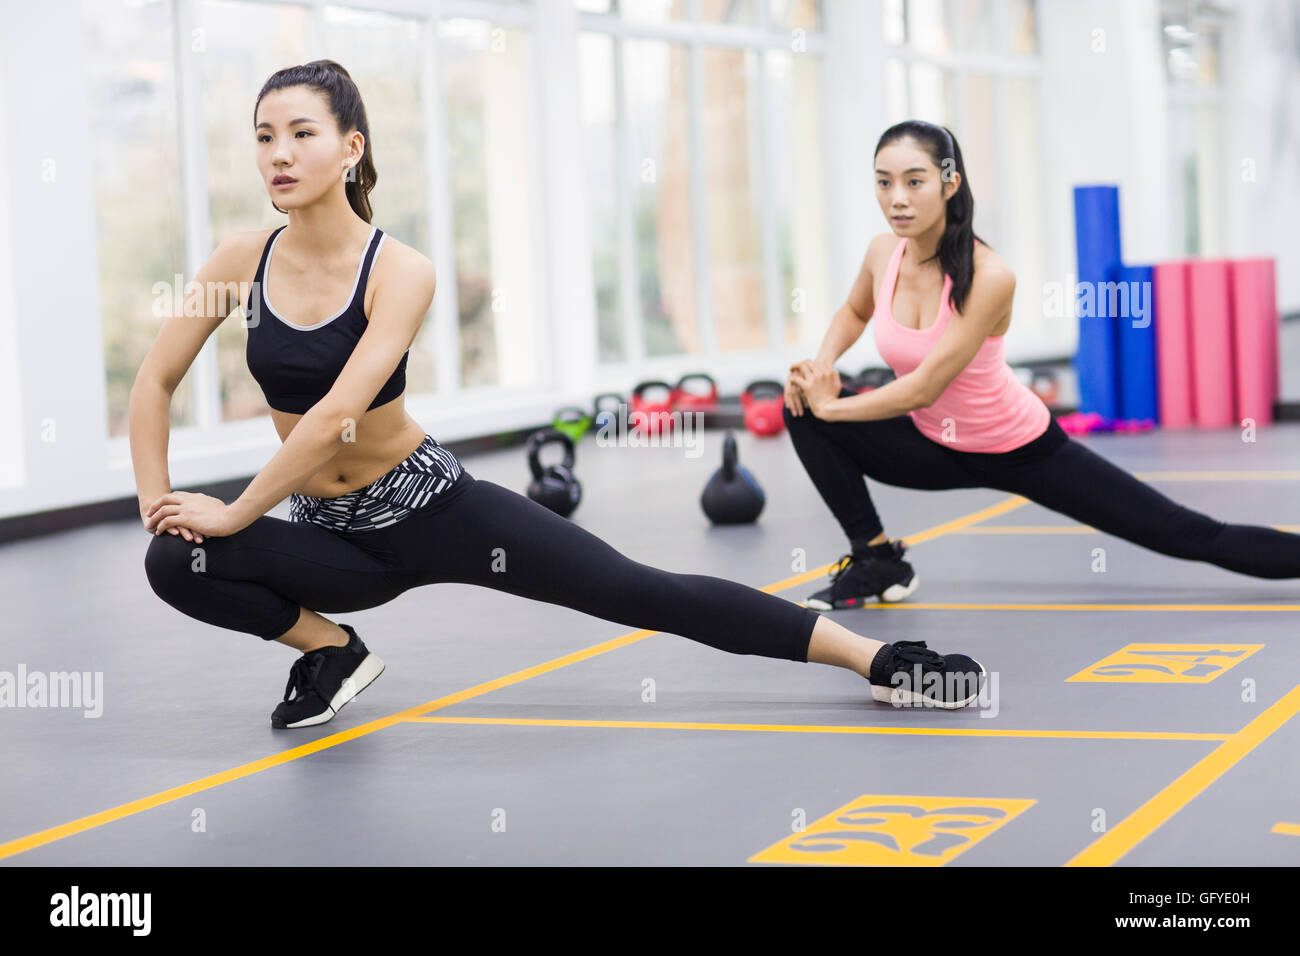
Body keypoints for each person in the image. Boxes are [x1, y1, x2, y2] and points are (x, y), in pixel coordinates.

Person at [131, 62, 986, 728]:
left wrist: (239, 510)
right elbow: (155, 381)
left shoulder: (400, 271)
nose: (277, 154)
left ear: (350, 147)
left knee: (641, 591)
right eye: (263, 136)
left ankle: (876, 659)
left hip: (434, 507)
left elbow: (338, 415)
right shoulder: (239, 261)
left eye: (300, 133)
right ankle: (330, 650)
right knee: (175, 559)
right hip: (336, 545)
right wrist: (157, 502)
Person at [784, 119, 1300, 612]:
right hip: (931, 445)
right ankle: (879, 561)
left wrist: (834, 408)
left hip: (1020, 450)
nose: (896, 198)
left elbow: (923, 386)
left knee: (1190, 534)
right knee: (799, 406)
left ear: (948, 184)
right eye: (884, 182)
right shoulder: (883, 253)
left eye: (914, 181)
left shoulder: (990, 276)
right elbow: (856, 310)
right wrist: (819, 372)